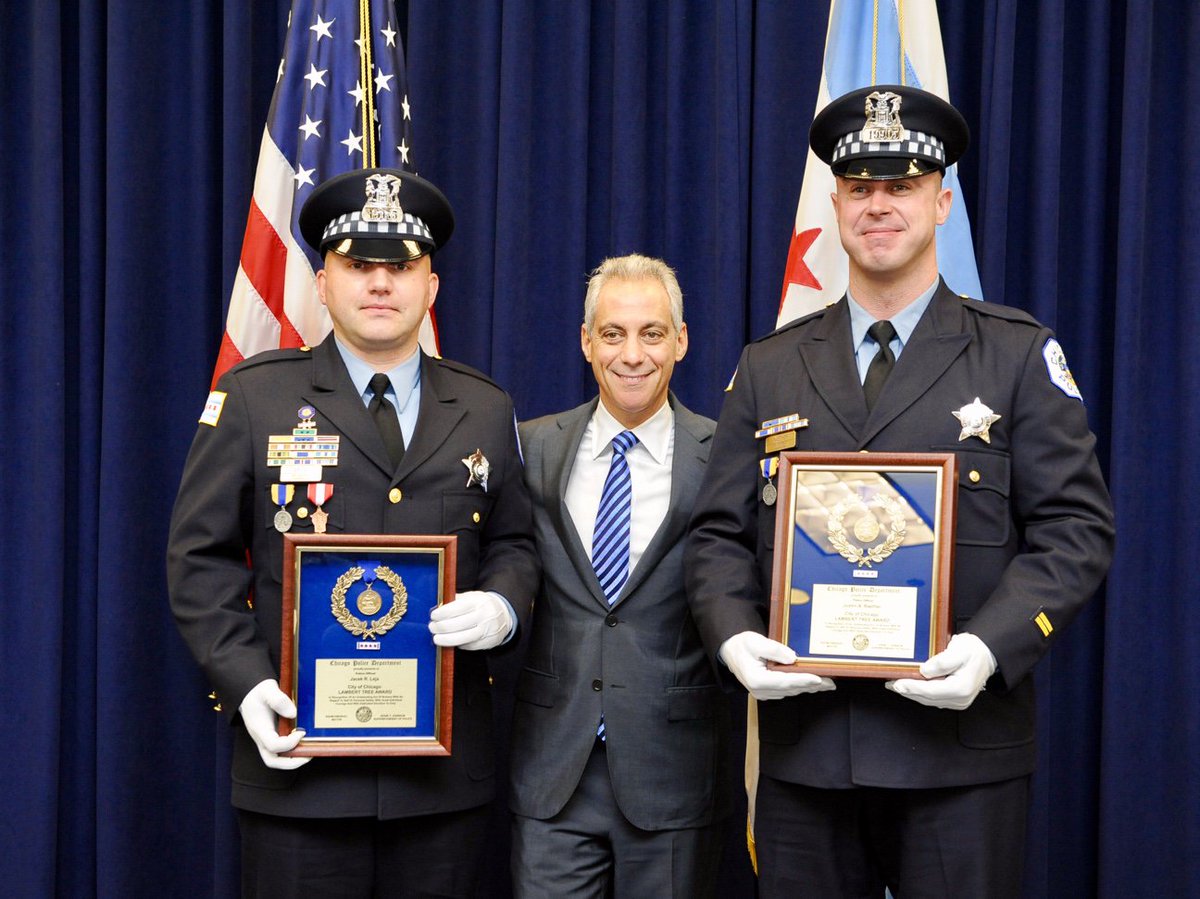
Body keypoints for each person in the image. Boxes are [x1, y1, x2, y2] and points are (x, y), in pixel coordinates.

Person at [684, 86, 1115, 898]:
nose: (878, 205)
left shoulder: (1017, 356)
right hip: (808, 751)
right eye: (860, 187)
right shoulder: (770, 364)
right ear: (836, 203)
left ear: (941, 201)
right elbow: (717, 535)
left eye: (903, 184)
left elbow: (1076, 531)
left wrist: (990, 647)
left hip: (961, 754)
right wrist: (733, 636)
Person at [167, 167, 538, 897]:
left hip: (440, 782)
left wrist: (502, 606)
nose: (380, 283)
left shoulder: (486, 407)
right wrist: (246, 684)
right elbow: (198, 560)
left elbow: (515, 542)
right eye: (357, 264)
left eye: (401, 267)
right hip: (299, 773)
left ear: (431, 287)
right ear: (322, 284)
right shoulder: (255, 397)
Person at [510, 254, 730, 897]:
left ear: (681, 341)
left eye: (651, 333)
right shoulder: (530, 447)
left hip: (674, 777)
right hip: (553, 774)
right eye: (613, 334)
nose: (632, 355)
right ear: (586, 342)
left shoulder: (723, 455)